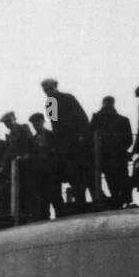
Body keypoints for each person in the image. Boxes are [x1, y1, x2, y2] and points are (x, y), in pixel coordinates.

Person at [41, 78, 92, 210]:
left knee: (83, 173)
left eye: (49, 89)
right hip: (64, 145)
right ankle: (80, 202)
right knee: (72, 175)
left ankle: (86, 201)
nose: (47, 92)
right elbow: (54, 126)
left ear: (55, 87)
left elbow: (82, 118)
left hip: (76, 142)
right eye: (45, 90)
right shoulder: (50, 104)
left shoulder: (68, 98)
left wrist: (82, 136)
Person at [90, 95, 133, 207]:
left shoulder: (97, 117)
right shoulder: (123, 120)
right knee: (122, 178)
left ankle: (117, 200)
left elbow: (91, 135)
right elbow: (129, 140)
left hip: (105, 157)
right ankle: (124, 200)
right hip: (118, 156)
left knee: (112, 180)